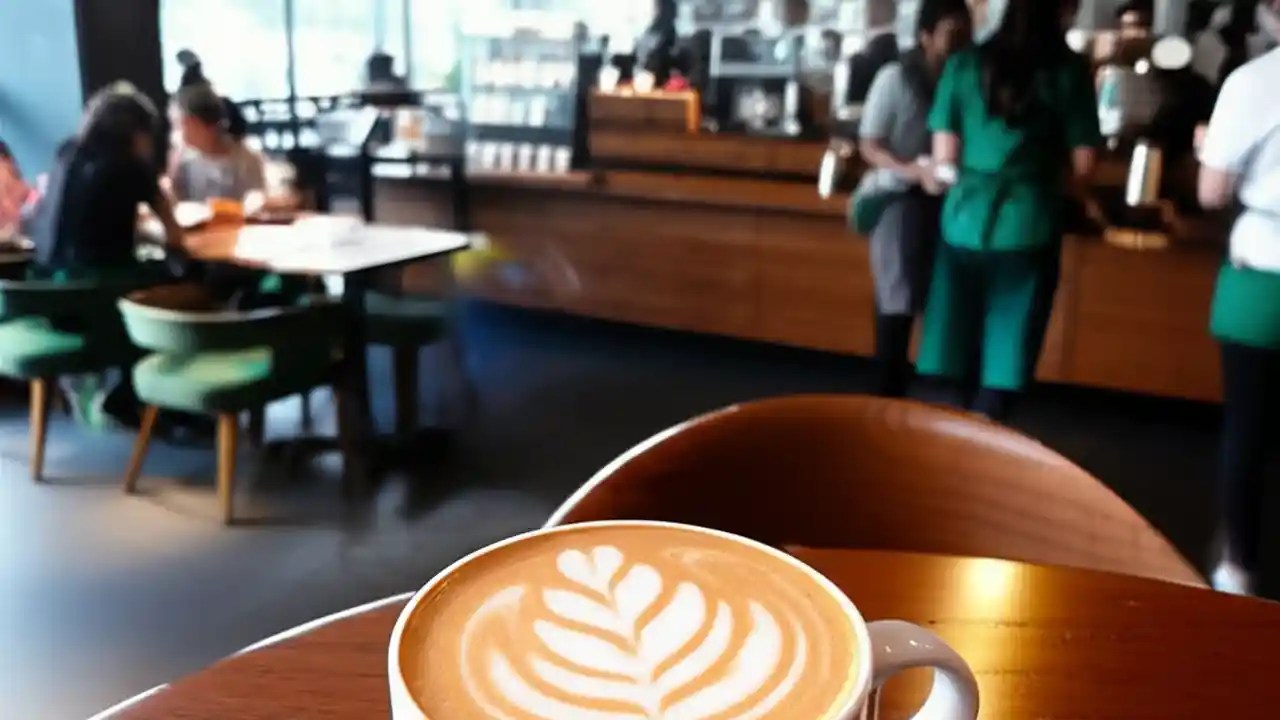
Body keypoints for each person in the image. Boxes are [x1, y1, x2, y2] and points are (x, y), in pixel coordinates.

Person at [916, 0, 1101, 421]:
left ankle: (945, 436)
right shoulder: (1069, 71)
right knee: (1008, 350)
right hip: (1028, 220)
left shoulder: (963, 65)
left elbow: (944, 158)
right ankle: (987, 437)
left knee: (953, 341)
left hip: (963, 219)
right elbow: (1085, 165)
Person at [1196, 43, 1280, 595]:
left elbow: (1211, 190)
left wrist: (1208, 147)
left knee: (1247, 430)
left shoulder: (1255, 80)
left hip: (1263, 273)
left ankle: (1239, 569)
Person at [857, 0, 973, 397]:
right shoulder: (896, 78)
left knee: (942, 301)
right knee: (897, 297)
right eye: (950, 36)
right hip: (901, 198)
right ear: (925, 36)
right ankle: (886, 396)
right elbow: (870, 145)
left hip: (949, 200)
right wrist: (913, 171)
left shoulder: (967, 80)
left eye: (965, 35)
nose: (960, 45)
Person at [168, 83, 265, 204]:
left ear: (199, 124)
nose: (176, 134)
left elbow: (257, 197)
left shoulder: (245, 157)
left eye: (179, 124)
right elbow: (175, 203)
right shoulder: (184, 159)